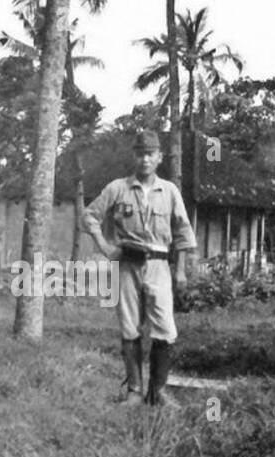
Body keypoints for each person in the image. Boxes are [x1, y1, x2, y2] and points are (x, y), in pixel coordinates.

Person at [82, 129, 197, 407]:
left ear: (159, 158)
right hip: (127, 266)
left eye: (150, 154)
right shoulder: (118, 188)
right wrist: (106, 247)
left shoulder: (169, 191)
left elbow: (183, 232)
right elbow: (90, 216)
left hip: (159, 265)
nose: (145, 159)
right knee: (130, 327)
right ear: (134, 156)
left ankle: (158, 393)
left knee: (165, 328)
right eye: (140, 154)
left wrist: (180, 270)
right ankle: (134, 391)